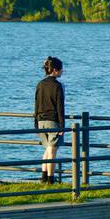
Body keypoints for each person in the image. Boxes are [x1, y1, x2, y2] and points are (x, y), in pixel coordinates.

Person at [34, 56, 66, 184]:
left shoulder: (40, 84)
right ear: (55, 70)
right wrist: (62, 126)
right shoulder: (58, 86)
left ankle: (43, 177)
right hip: (53, 121)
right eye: (61, 69)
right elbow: (60, 107)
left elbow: (36, 104)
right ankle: (50, 179)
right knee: (52, 151)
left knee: (47, 149)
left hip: (41, 120)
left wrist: (36, 122)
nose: (62, 71)